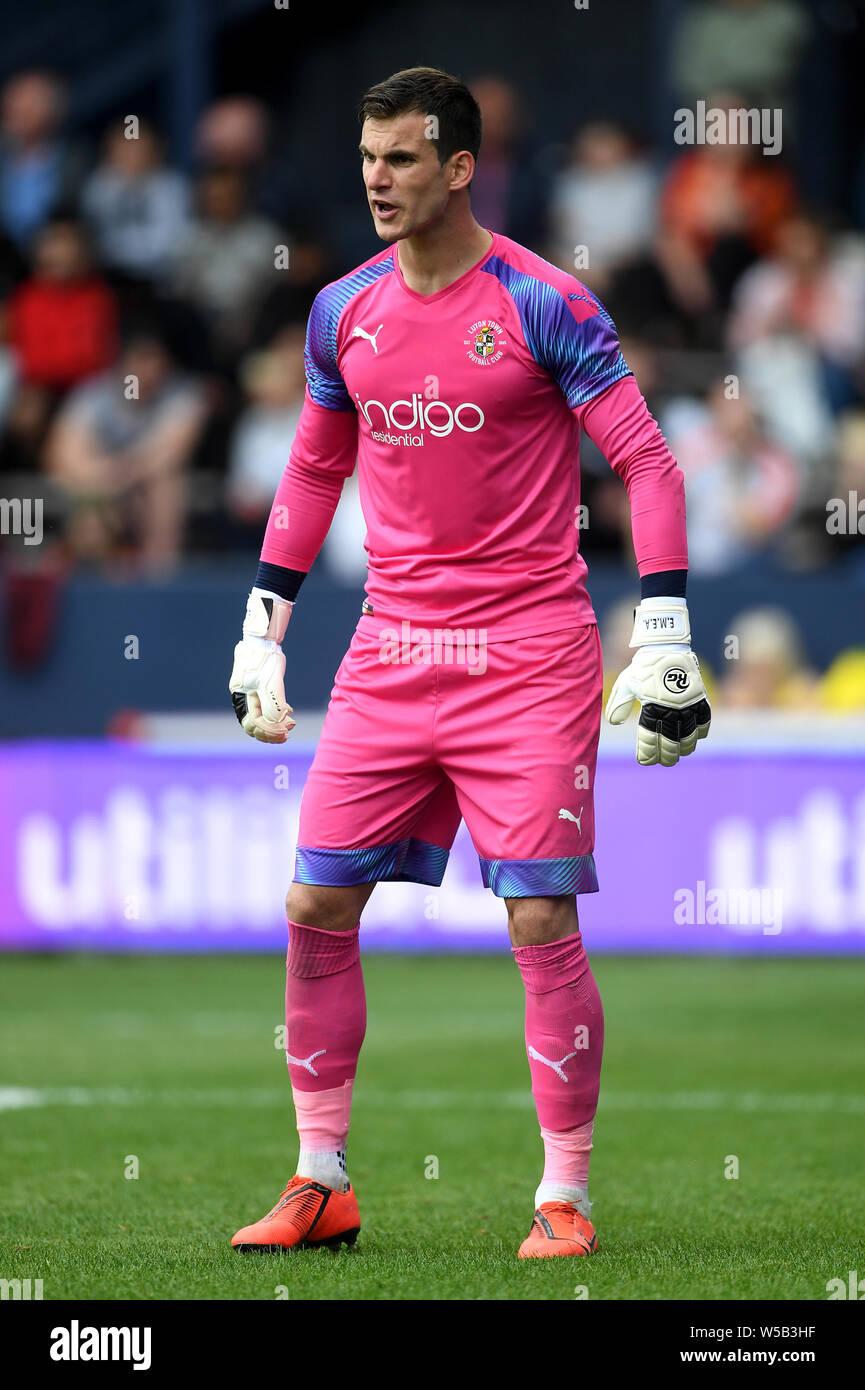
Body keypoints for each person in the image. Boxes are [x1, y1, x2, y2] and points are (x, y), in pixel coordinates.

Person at [227, 67, 711, 1260]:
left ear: (458, 168)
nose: (376, 180)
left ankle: (564, 1195)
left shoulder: (545, 302)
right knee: (311, 902)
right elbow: (311, 471)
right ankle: (320, 1178)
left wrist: (663, 625)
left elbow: (647, 464)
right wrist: (260, 623)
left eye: (400, 159)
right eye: (366, 158)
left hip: (529, 655)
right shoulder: (342, 309)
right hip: (391, 648)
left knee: (537, 913)